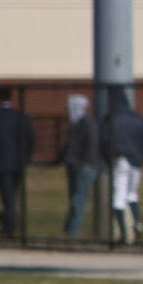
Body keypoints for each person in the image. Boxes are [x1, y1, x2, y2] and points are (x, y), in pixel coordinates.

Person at [0, 86, 35, 240]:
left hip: (0, 164)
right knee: (11, 195)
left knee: (8, 197)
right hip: (18, 163)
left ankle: (10, 227)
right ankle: (9, 223)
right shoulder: (21, 117)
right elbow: (30, 139)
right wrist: (26, 158)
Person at [100, 86, 143, 245]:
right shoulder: (137, 118)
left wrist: (107, 158)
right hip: (136, 160)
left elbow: (104, 140)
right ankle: (138, 222)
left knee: (118, 198)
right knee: (132, 194)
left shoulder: (111, 118)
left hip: (120, 159)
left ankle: (123, 234)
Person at [61, 93, 101, 238]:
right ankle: (69, 229)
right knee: (75, 199)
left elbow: (90, 146)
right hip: (75, 166)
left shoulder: (88, 123)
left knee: (78, 200)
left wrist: (81, 163)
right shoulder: (76, 124)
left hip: (84, 167)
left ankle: (72, 232)